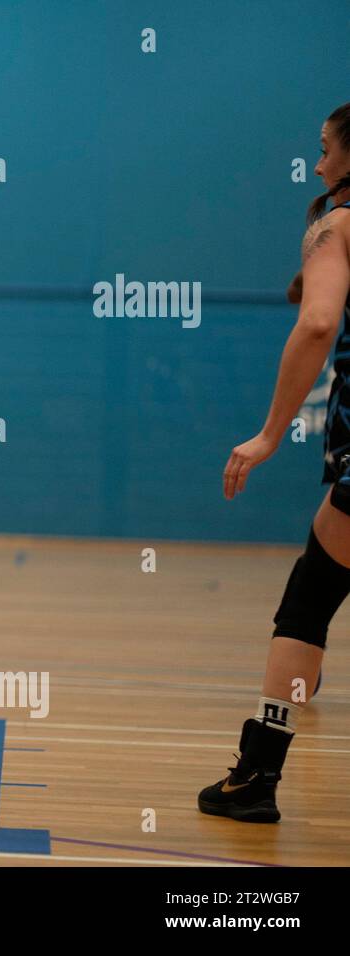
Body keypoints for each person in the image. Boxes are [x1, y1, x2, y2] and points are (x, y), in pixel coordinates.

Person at [200, 103, 350, 823]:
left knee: (308, 604)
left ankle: (256, 777)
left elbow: (318, 322)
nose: (316, 164)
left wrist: (268, 434)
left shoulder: (335, 225)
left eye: (324, 149)